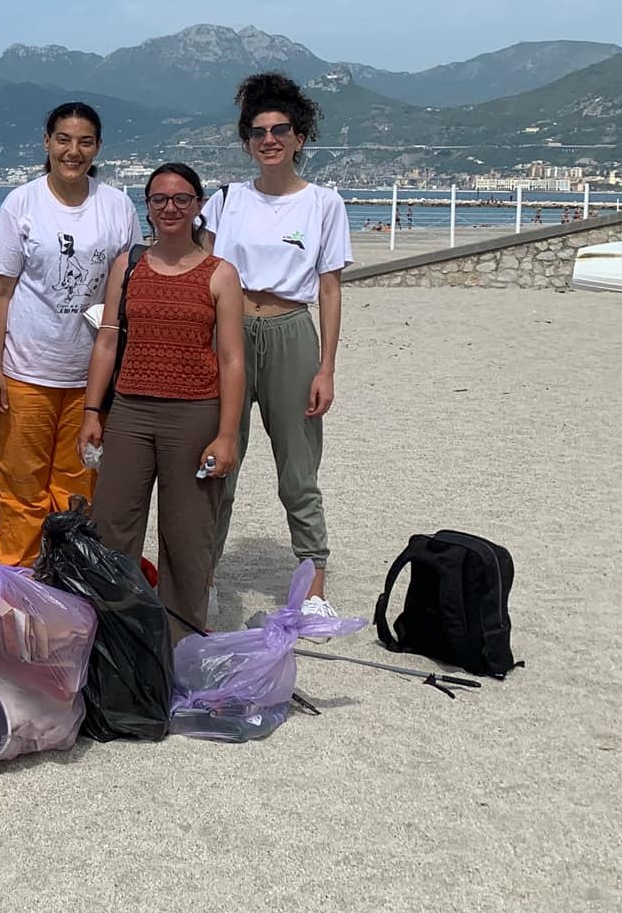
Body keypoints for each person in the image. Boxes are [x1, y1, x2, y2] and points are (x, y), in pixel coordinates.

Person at [201, 72, 352, 621]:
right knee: (219, 461)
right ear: (247, 141)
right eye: (258, 131)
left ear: (299, 137)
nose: (269, 139)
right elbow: (207, 273)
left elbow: (330, 288)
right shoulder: (226, 200)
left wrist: (326, 368)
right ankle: (206, 577)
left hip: (292, 329)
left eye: (280, 130)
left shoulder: (323, 204)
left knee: (298, 469)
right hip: (233, 329)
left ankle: (313, 587)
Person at [79, 163, 245, 638]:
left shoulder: (220, 274)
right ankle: (115, 640)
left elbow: (233, 359)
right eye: (159, 199)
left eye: (181, 199)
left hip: (195, 415)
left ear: (197, 206)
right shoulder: (128, 266)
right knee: (112, 527)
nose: (170, 208)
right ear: (147, 206)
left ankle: (181, 645)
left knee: (187, 539)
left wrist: (227, 434)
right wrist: (93, 411)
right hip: (130, 411)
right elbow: (107, 341)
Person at [0, 102, 140, 566]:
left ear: (97, 148)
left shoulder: (115, 206)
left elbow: (127, 288)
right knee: (20, 483)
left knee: (78, 485)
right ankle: (19, 577)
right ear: (47, 142)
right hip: (27, 369)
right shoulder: (23, 203)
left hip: (90, 375)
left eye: (85, 141)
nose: (73, 151)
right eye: (64, 140)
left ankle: (67, 579)